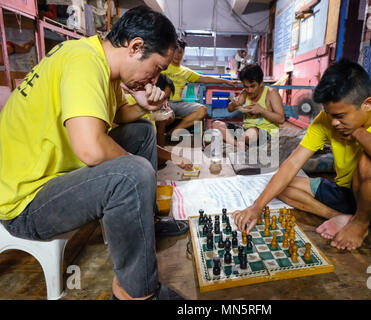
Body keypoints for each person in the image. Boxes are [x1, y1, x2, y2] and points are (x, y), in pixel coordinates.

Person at [0, 6, 184, 300]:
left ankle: (145, 222)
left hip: (49, 178)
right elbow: (91, 149)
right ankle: (135, 292)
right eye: (157, 68)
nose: (154, 80)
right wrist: (140, 175)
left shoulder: (97, 61)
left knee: (142, 132)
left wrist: (143, 107)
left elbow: (115, 117)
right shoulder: (85, 62)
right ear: (136, 47)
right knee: (133, 174)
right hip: (24, 202)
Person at [232, 59, 371, 251]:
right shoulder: (327, 119)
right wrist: (257, 207)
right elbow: (292, 164)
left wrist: (357, 132)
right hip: (348, 194)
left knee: (370, 161)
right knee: (281, 185)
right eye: (329, 114)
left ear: (367, 104)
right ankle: (339, 217)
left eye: (340, 116)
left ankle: (360, 224)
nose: (333, 123)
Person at [161, 38, 238, 137]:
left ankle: (173, 132)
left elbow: (205, 78)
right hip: (162, 102)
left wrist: (225, 80)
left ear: (183, 52)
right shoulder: (163, 66)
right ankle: (159, 139)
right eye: (175, 51)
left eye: (180, 52)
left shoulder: (186, 71)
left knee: (202, 110)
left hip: (178, 103)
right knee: (162, 115)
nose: (177, 55)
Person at [212, 63, 285, 150]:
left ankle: (237, 143)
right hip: (245, 131)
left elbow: (281, 119)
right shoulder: (245, 92)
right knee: (216, 125)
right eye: (246, 86)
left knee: (251, 133)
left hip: (264, 134)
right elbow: (230, 109)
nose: (249, 90)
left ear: (261, 83)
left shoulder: (271, 93)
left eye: (252, 86)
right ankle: (239, 145)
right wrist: (233, 104)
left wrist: (262, 111)